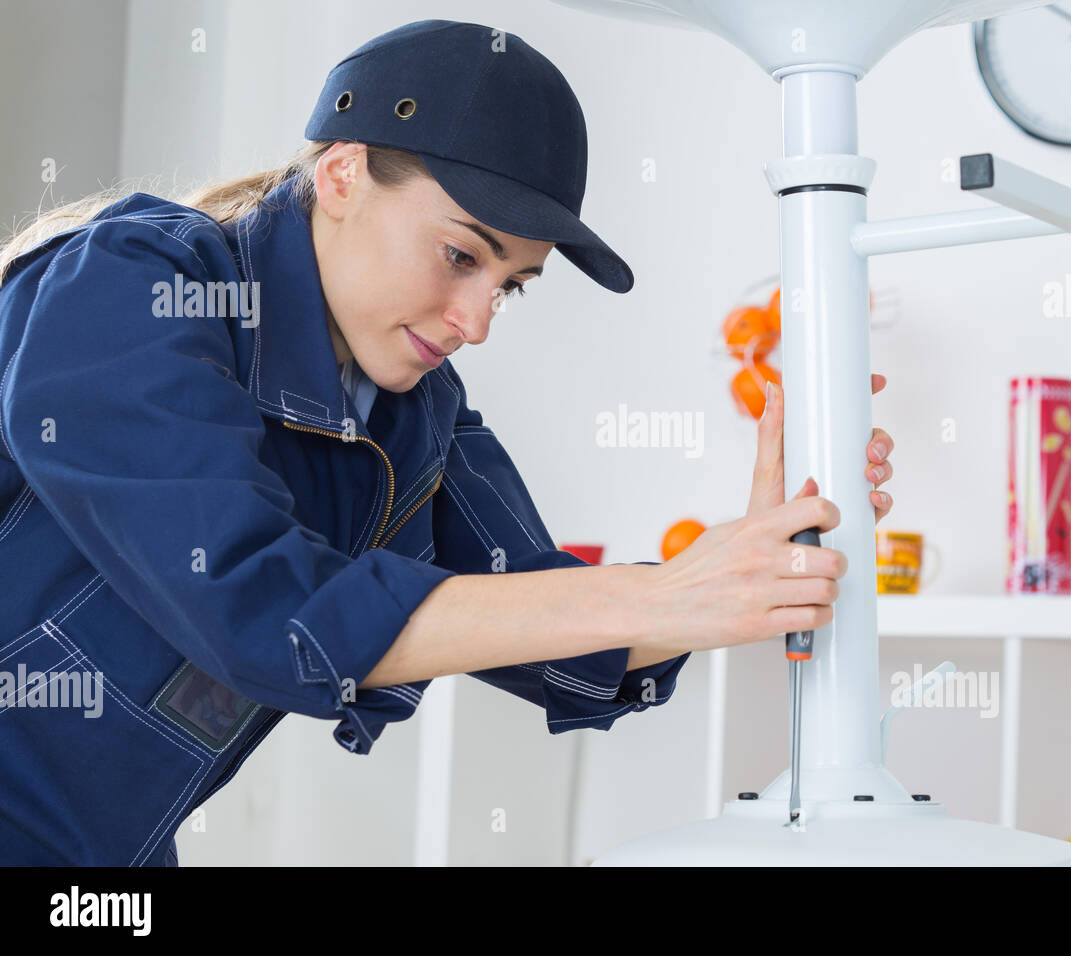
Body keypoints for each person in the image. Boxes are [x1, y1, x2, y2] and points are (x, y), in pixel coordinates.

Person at [0, 18, 894, 866]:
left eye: (511, 287)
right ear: (343, 174)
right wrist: (662, 596)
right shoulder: (129, 289)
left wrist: (755, 561)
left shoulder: (414, 408)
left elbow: (543, 625)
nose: (476, 323)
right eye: (463, 256)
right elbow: (260, 603)